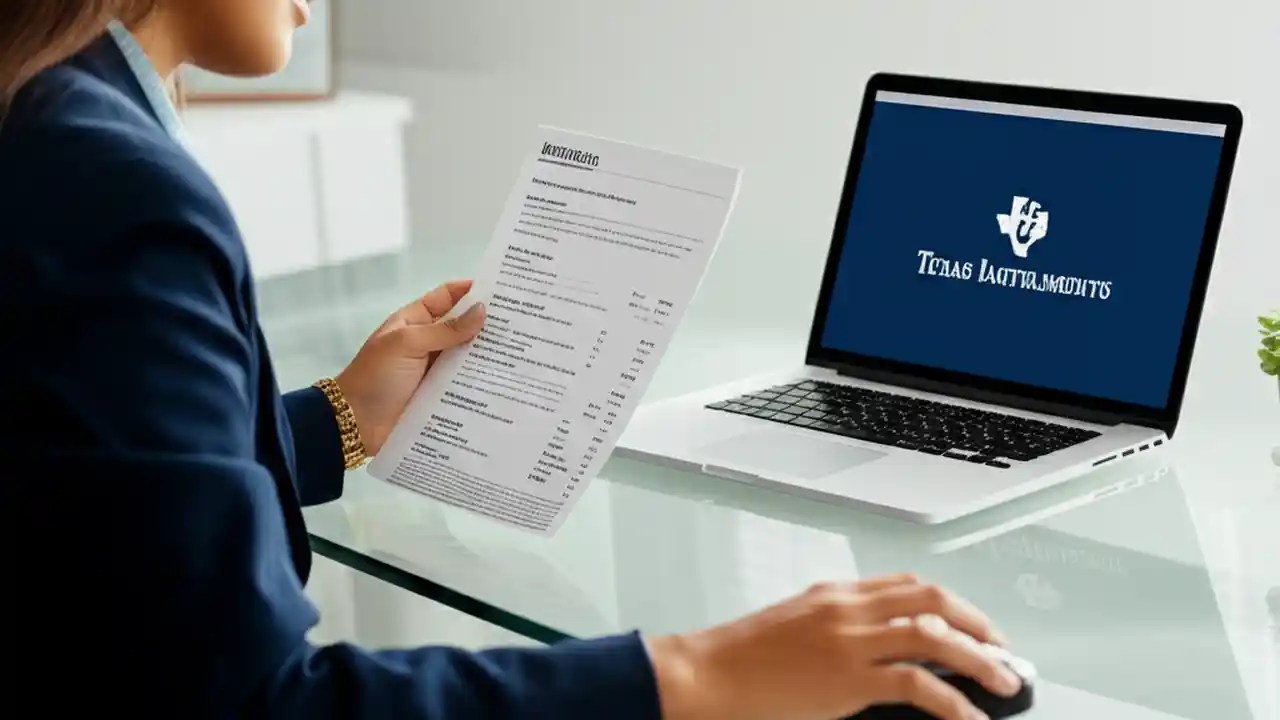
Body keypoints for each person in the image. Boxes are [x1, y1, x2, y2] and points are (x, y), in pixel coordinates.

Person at [0, 2, 1024, 718]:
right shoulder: (113, 185)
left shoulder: (48, 120)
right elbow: (248, 703)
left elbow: (66, 483)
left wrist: (337, 419)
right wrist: (697, 674)